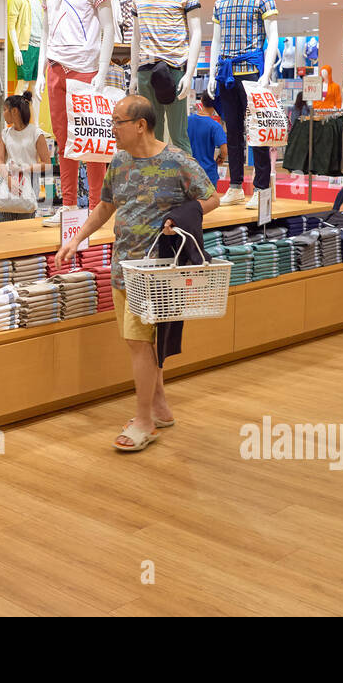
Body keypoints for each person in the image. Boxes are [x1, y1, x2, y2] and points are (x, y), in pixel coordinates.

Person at [54, 95, 218, 453]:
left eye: (117, 122)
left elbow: (211, 197)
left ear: (140, 125)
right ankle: (158, 407)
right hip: (122, 267)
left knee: (139, 344)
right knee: (140, 343)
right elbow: (106, 205)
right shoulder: (120, 161)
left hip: (157, 270)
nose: (111, 128)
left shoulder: (176, 161)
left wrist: (181, 218)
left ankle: (143, 421)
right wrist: (76, 240)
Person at [0, 93, 50, 222]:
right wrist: (8, 179)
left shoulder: (36, 133)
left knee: (25, 228)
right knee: (1, 225)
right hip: (7, 182)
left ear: (14, 111)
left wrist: (24, 168)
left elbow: (47, 164)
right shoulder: (5, 133)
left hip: (29, 183)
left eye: (4, 110)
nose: (3, 114)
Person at [187, 93, 228, 190]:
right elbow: (224, 149)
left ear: (201, 100)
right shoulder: (215, 126)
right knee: (209, 203)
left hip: (188, 170)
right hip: (208, 172)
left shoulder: (187, 121)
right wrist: (221, 157)